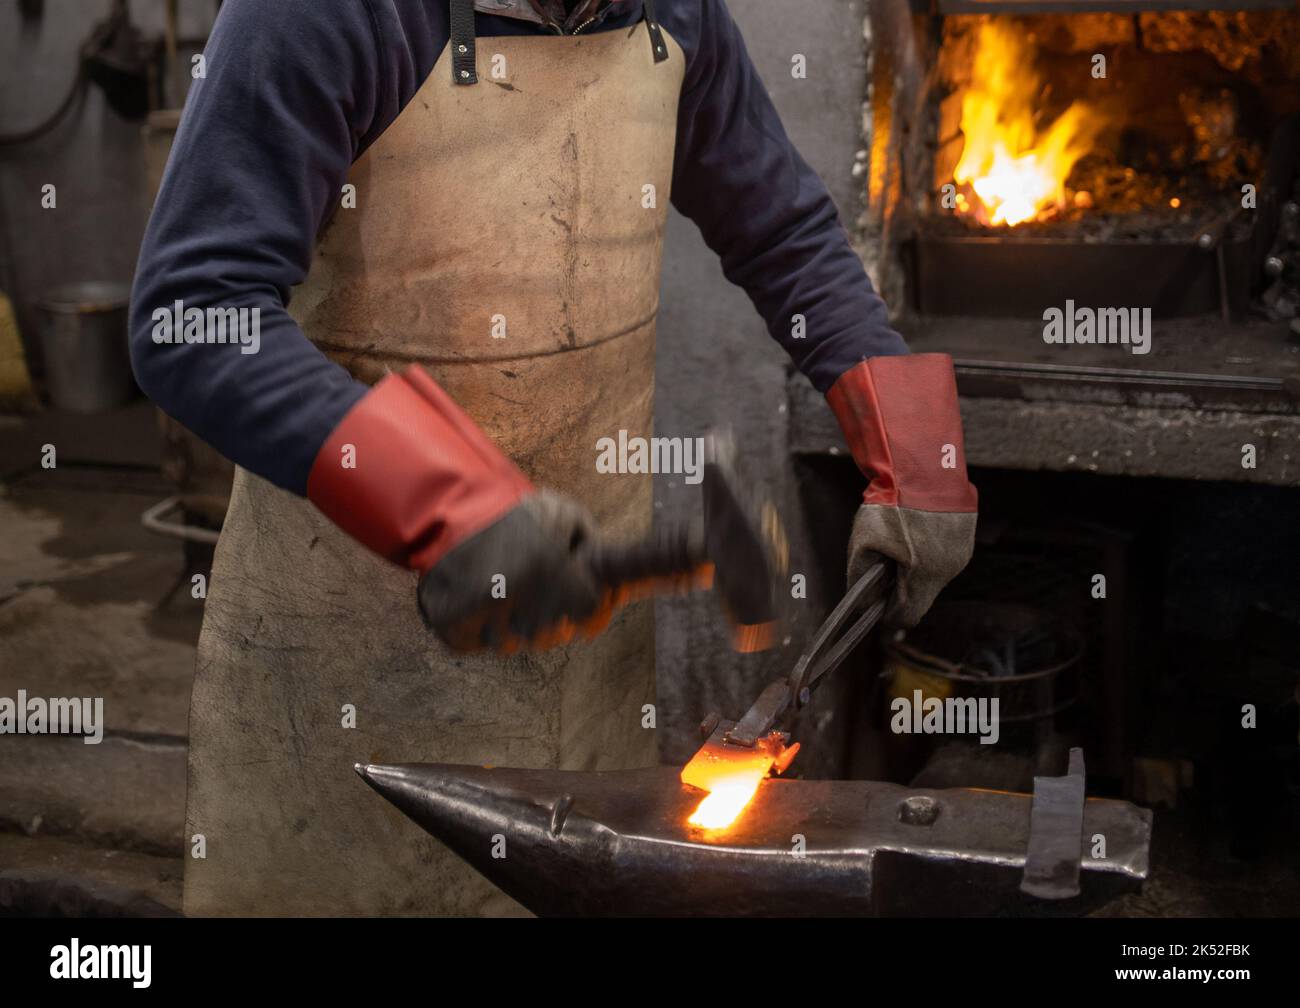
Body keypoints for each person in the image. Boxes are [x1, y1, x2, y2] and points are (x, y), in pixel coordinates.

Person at [130, 0, 977, 916]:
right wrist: (443, 505)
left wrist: (913, 445)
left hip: (590, 649)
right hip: (352, 643)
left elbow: (783, 231)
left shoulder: (672, 13)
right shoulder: (320, 15)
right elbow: (194, 316)